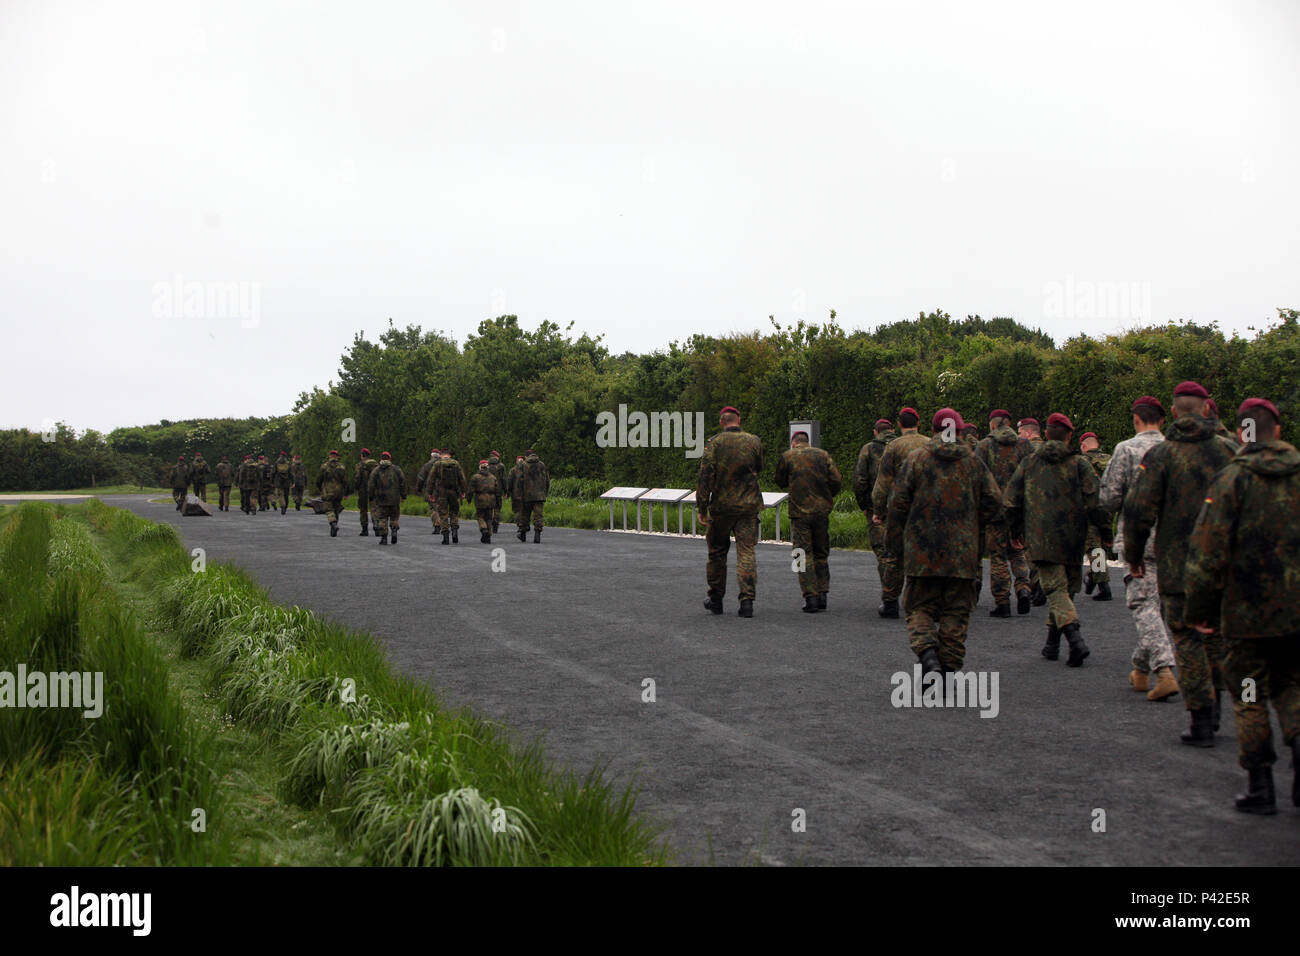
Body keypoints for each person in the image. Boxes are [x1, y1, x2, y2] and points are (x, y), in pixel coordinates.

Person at [1186, 398, 1300, 813]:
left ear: (1241, 434)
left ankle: (1261, 785)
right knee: (1291, 684)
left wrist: (1200, 609)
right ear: (1279, 431)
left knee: (1250, 694)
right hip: (1296, 613)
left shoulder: (1232, 479)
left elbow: (1206, 552)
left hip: (1246, 615)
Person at [1125, 381, 1238, 746]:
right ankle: (1218, 707)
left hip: (1177, 566)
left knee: (1186, 640)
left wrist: (1133, 555)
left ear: (1173, 412)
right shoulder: (1230, 452)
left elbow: (1139, 510)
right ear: (1208, 408)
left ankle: (1201, 719)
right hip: (1223, 565)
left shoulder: (1162, 455)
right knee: (1217, 637)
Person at [886, 409, 1004, 674]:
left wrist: (896, 543)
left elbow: (897, 504)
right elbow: (994, 503)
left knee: (918, 607)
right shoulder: (974, 463)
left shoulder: (917, 460)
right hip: (962, 554)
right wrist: (974, 527)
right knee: (956, 613)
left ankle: (928, 654)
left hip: (921, 551)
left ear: (935, 429)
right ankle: (949, 669)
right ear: (960, 431)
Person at [1004, 412, 1111, 666]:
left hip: (1040, 537)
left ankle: (1074, 638)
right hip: (1074, 536)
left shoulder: (1029, 462)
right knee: (1066, 590)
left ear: (1047, 434)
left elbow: (1011, 501)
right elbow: (1096, 502)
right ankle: (1053, 643)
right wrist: (1107, 533)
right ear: (1070, 436)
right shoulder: (1079, 464)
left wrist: (1014, 530)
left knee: (1057, 590)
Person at [1098, 397, 1179, 701]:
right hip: (1174, 540)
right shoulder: (1177, 451)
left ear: (1136, 419)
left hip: (1139, 539)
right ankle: (1140, 669)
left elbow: (1108, 498)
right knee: (1155, 607)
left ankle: (1164, 669)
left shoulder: (1126, 449)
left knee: (1143, 606)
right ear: (1163, 419)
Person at [697, 406, 764, 618]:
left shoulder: (714, 443)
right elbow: (759, 467)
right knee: (746, 552)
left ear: (721, 422)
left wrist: (702, 507)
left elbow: (705, 477)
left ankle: (716, 599)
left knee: (717, 552)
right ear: (739, 419)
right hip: (748, 506)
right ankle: (747, 601)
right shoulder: (754, 441)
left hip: (722, 508)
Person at [870, 407, 929, 618]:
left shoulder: (893, 446)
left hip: (899, 509)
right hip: (927, 510)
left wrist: (878, 510)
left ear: (900, 425)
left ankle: (890, 601)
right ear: (918, 423)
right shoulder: (930, 444)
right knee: (925, 554)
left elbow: (883, 482)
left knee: (895, 555)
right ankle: (923, 601)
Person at [774, 430, 842, 613]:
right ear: (808, 442)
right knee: (821, 553)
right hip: (821, 512)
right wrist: (826, 496)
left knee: (800, 554)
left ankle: (809, 595)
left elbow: (779, 480)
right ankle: (823, 594)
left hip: (799, 513)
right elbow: (836, 480)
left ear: (793, 443)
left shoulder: (788, 456)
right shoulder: (823, 455)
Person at [976, 409, 1034, 616]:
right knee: (1018, 551)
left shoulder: (984, 446)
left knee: (998, 556)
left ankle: (1003, 602)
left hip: (994, 510)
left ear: (992, 424)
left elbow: (977, 479)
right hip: (1018, 509)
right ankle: (1024, 588)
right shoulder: (1025, 445)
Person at [852, 419, 896, 601]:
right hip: (905, 507)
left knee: (882, 550)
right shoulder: (904, 446)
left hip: (876, 507)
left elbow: (860, 479)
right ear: (893, 430)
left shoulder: (869, 449)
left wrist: (864, 505)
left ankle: (889, 594)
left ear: (875, 432)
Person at [1078, 432, 1114, 601]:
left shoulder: (1082, 461)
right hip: (1108, 508)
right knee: (1103, 547)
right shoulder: (1110, 459)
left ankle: (1103, 586)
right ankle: (1093, 578)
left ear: (1083, 446)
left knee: (1095, 549)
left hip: (1089, 510)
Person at [366, 451, 407, 545]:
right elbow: (403, 482)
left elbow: (371, 484)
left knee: (382, 518)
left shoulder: (376, 470)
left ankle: (384, 538)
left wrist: (371, 496)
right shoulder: (396, 469)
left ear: (381, 459)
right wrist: (403, 495)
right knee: (394, 517)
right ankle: (394, 531)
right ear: (389, 459)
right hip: (394, 498)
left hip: (381, 499)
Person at [515, 449, 550, 544]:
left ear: (527, 456)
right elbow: (547, 480)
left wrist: (519, 493)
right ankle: (537, 534)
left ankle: (523, 534)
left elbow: (519, 480)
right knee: (538, 515)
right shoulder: (542, 465)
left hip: (527, 495)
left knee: (525, 515)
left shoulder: (524, 465)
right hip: (539, 495)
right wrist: (545, 492)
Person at [435, 449, 468, 544]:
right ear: (449, 455)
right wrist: (463, 491)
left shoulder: (438, 464)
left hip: (442, 493)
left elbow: (431, 479)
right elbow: (462, 478)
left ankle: (445, 536)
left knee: (443, 513)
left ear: (441, 455)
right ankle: (454, 531)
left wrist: (430, 492)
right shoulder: (456, 464)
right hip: (454, 492)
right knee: (454, 512)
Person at [315, 449, 349, 537]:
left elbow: (318, 480)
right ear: (337, 457)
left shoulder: (324, 466)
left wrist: (320, 489)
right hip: (339, 492)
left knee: (329, 510)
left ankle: (333, 524)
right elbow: (345, 481)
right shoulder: (342, 467)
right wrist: (346, 492)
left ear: (330, 456)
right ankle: (334, 528)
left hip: (327, 491)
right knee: (336, 509)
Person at [468, 460, 500, 543]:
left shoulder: (475, 477)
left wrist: (469, 499)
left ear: (480, 467)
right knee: (489, 518)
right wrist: (498, 501)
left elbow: (471, 490)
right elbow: (497, 490)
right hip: (491, 499)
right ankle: (488, 537)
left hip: (480, 499)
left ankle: (484, 529)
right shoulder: (493, 477)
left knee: (480, 516)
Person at [415, 448, 442, 534]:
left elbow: (421, 478)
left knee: (434, 508)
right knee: (443, 507)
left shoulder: (427, 465)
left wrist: (419, 489)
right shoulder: (444, 464)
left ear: (431, 456)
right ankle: (445, 525)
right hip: (443, 489)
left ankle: (437, 525)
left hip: (431, 490)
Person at [355, 448, 379, 536]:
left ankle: (364, 529)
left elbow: (357, 478)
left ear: (362, 455)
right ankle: (376, 524)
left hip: (363, 490)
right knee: (374, 508)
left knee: (363, 510)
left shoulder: (360, 465)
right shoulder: (376, 464)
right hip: (374, 490)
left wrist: (356, 487)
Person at [487, 451, 507, 533]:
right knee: (497, 508)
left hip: (487, 491)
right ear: (497, 457)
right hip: (498, 490)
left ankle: (488, 524)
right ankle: (495, 523)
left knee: (488, 508)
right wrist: (506, 491)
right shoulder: (501, 466)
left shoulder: (486, 465)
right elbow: (504, 479)